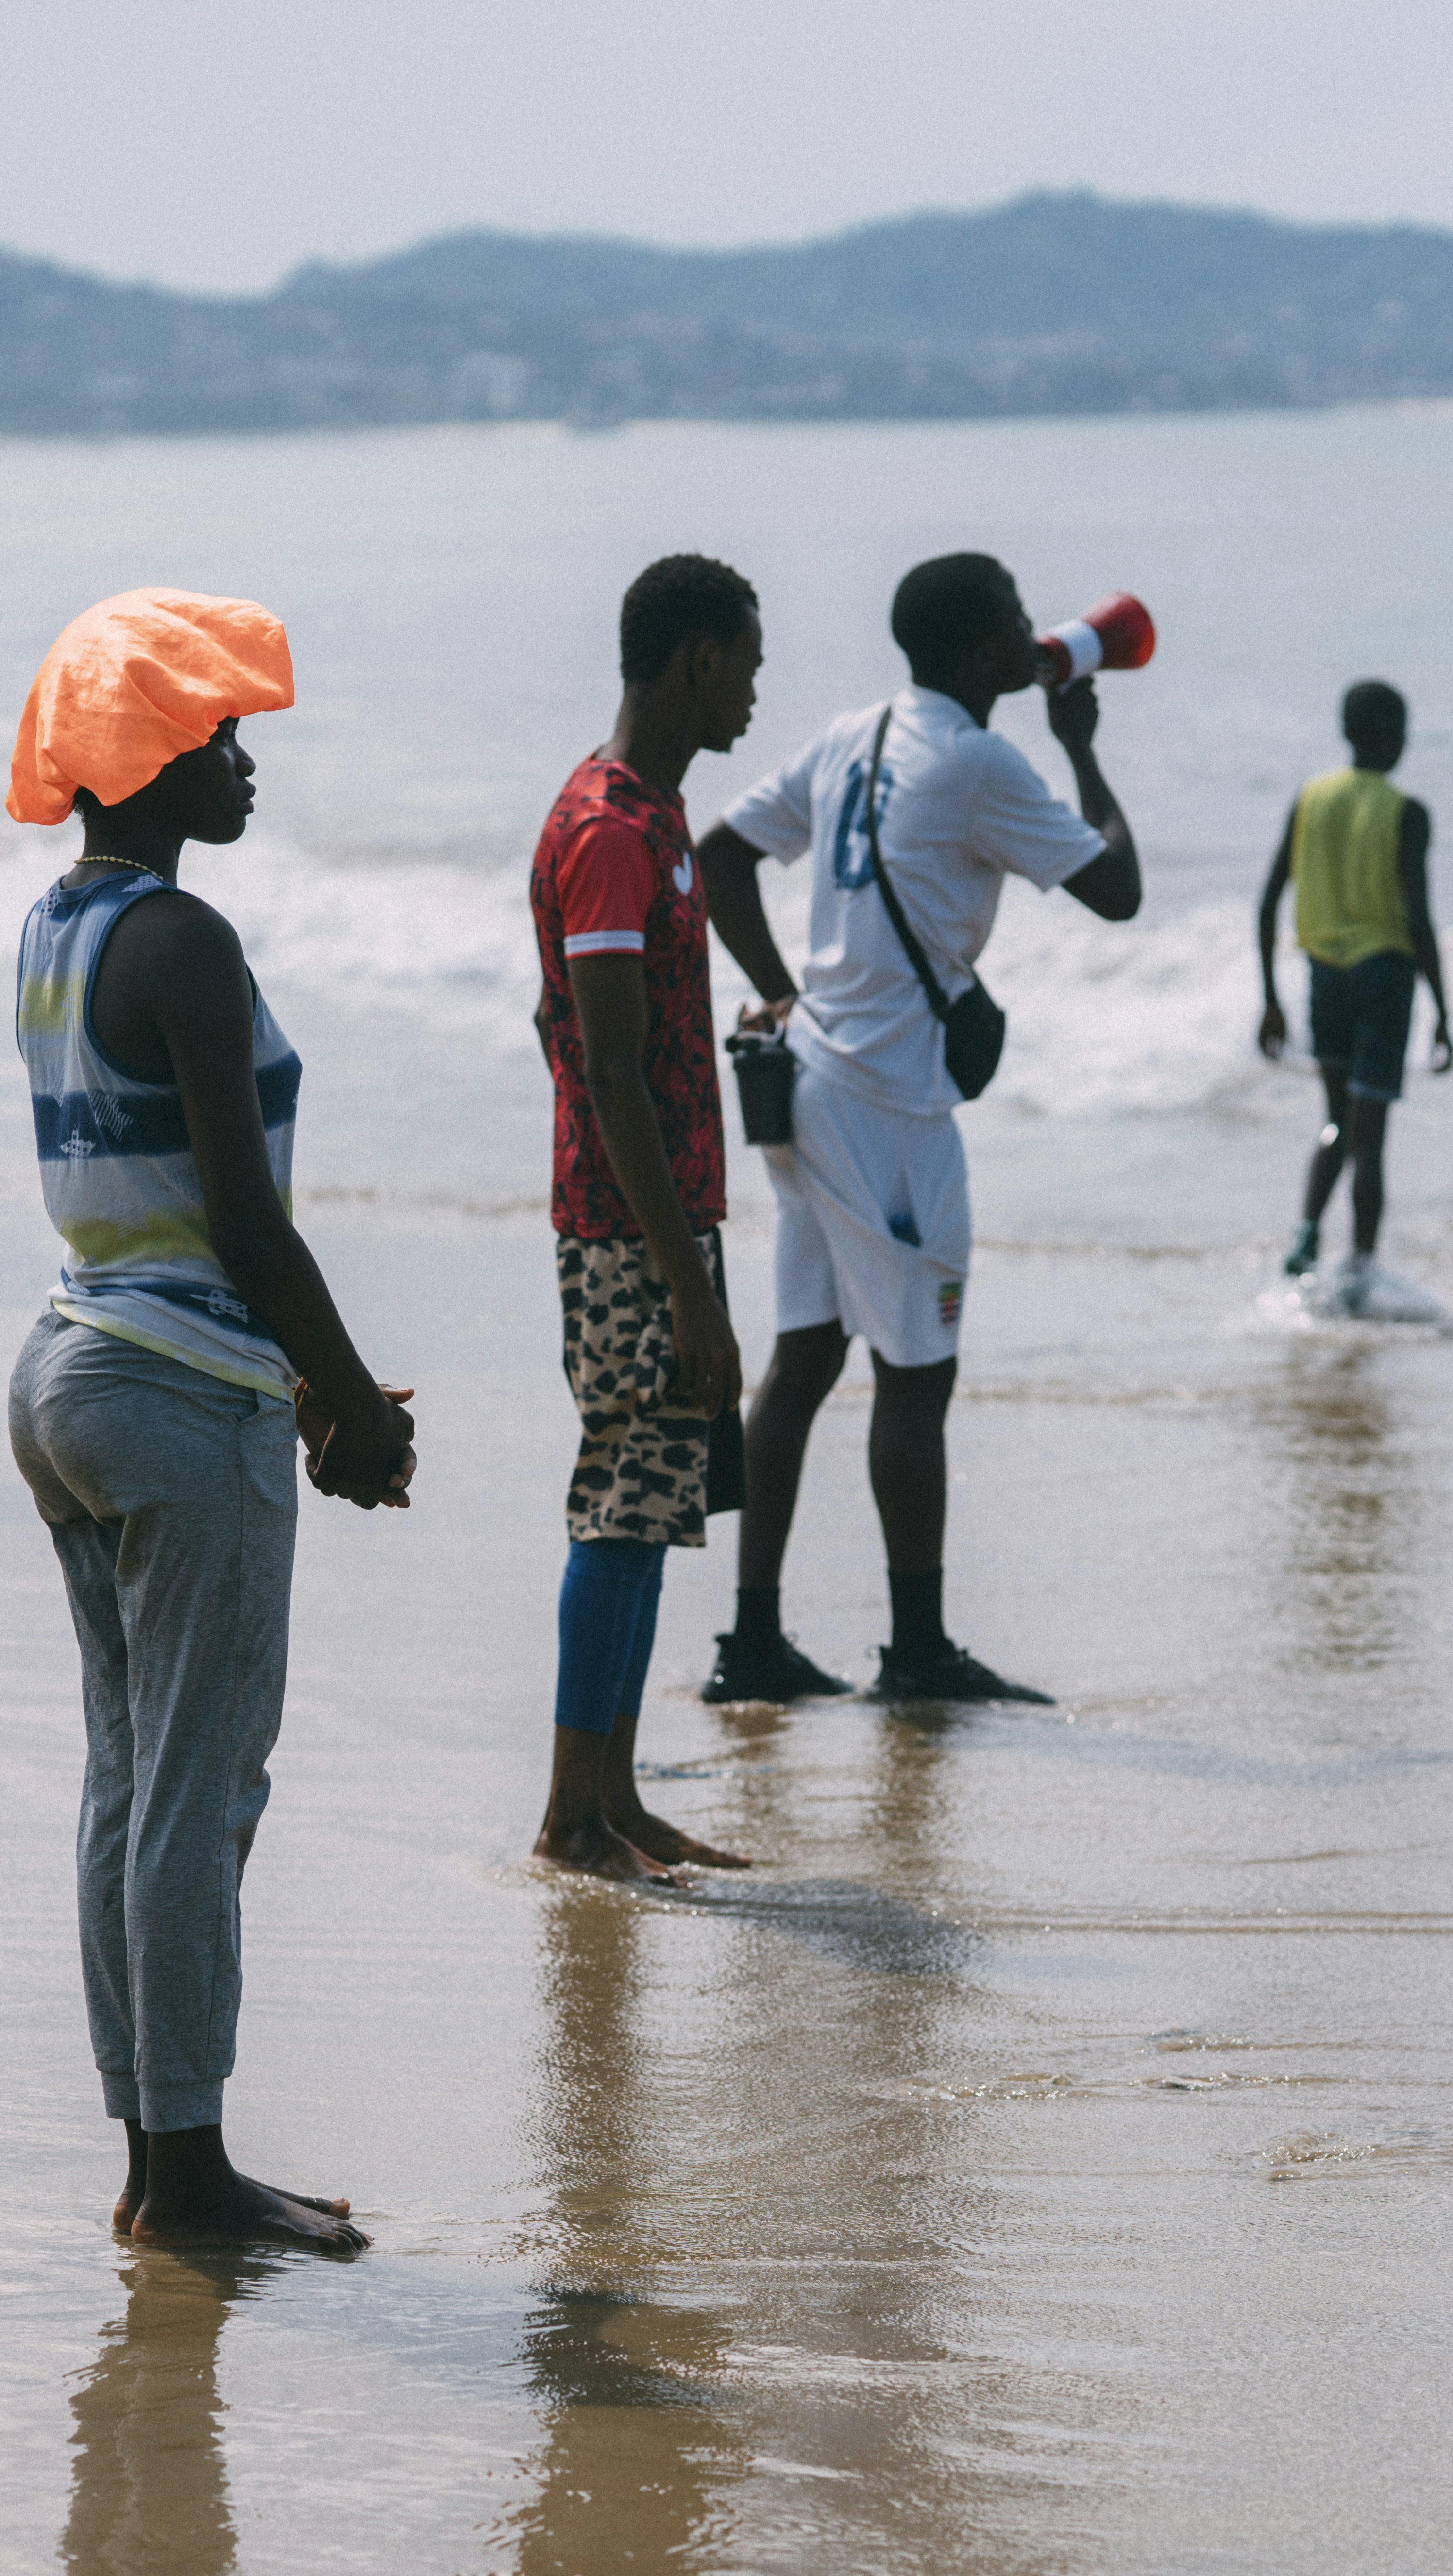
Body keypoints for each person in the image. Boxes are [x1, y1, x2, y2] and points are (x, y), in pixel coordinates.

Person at [0, 590, 412, 2252]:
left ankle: (157, 2153)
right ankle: (186, 2176)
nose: (247, 766)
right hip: (181, 1391)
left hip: (75, 1365)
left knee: (131, 1783)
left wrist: (304, 1371)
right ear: (156, 755)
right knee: (195, 1793)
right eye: (222, 737)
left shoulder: (62, 922)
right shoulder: (184, 941)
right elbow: (246, 1222)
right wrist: (343, 1396)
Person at [692, 552, 1142, 1708]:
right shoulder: (981, 760)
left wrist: (781, 988)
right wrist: (1083, 740)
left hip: (803, 1081)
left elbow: (721, 856)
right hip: (891, 1105)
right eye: (1018, 627)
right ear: (987, 652)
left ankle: (754, 1641)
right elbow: (1118, 888)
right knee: (915, 1374)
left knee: (802, 1362)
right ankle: (918, 1646)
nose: (1033, 638)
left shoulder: (854, 732)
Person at [526, 555, 766, 1884]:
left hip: (660, 1218)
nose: (754, 691)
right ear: (694, 662)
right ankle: (572, 1818)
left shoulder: (653, 812)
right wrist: (686, 1284)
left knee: (654, 1501)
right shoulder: (613, 834)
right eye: (747, 664)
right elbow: (608, 1064)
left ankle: (613, 1800)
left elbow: (554, 1023)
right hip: (629, 1231)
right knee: (620, 1506)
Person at [1255, 680, 1452, 1306]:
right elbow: (1418, 920)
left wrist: (1269, 997)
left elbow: (1266, 902)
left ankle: (1305, 1237)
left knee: (1335, 1120)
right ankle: (1362, 1272)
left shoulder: (1310, 798)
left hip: (1321, 975)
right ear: (1395, 737)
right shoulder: (1405, 812)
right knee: (1373, 1136)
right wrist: (1444, 1011)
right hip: (1383, 975)